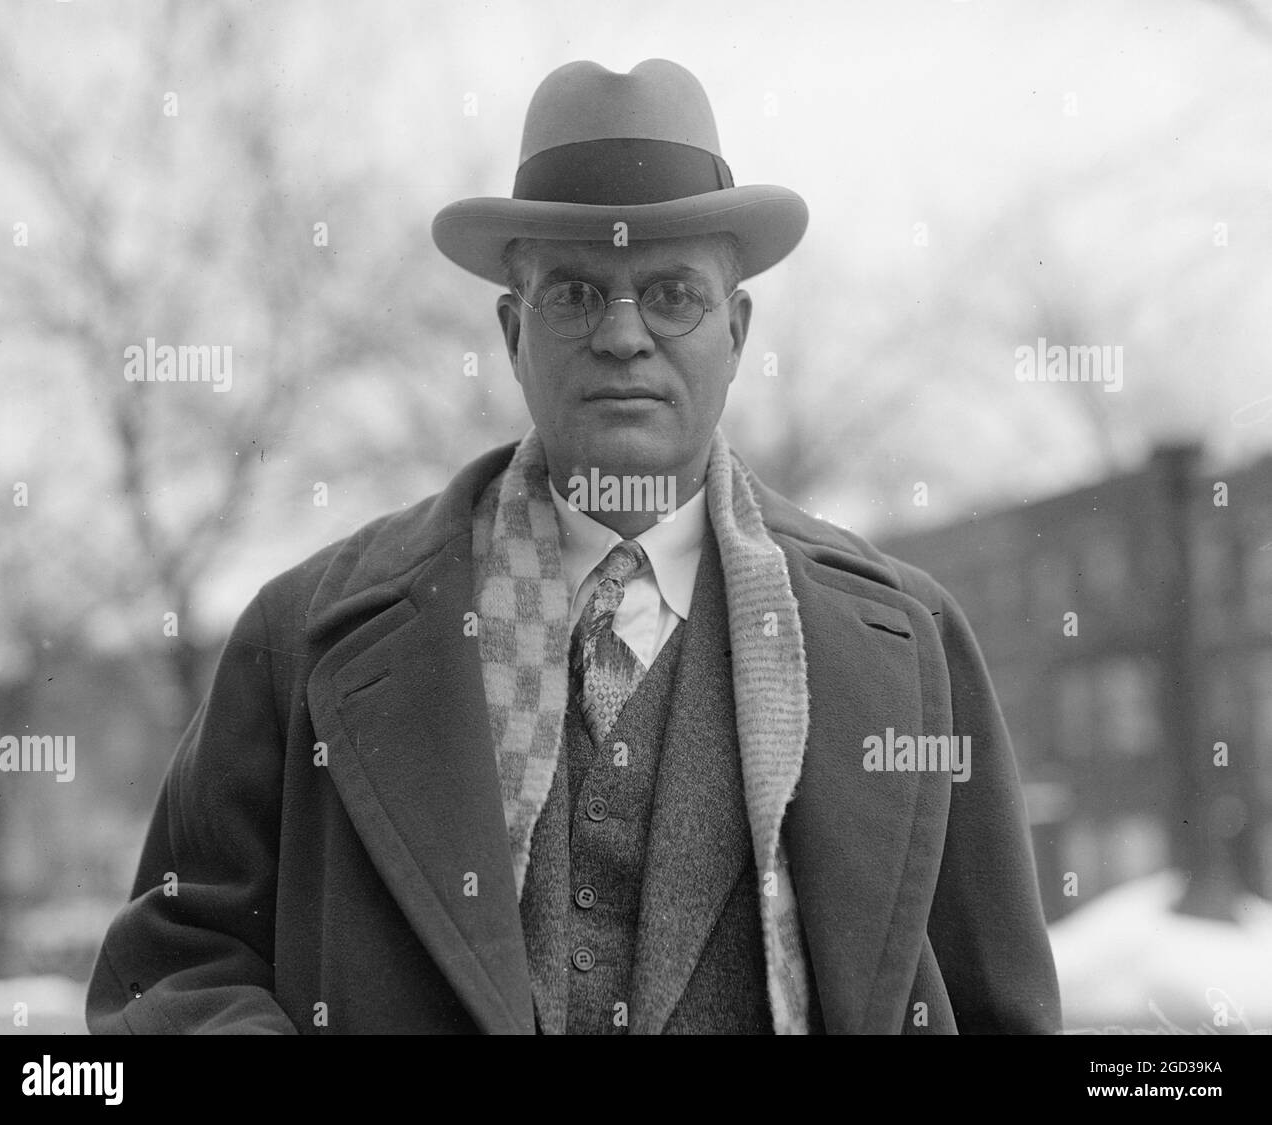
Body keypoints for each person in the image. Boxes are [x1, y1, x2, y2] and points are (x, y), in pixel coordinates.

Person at [86, 58, 1061, 1034]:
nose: (624, 336)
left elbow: (998, 1011)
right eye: (575, 295)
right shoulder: (300, 638)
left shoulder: (905, 645)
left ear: (736, 328)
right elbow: (171, 972)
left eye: (672, 292)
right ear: (514, 333)